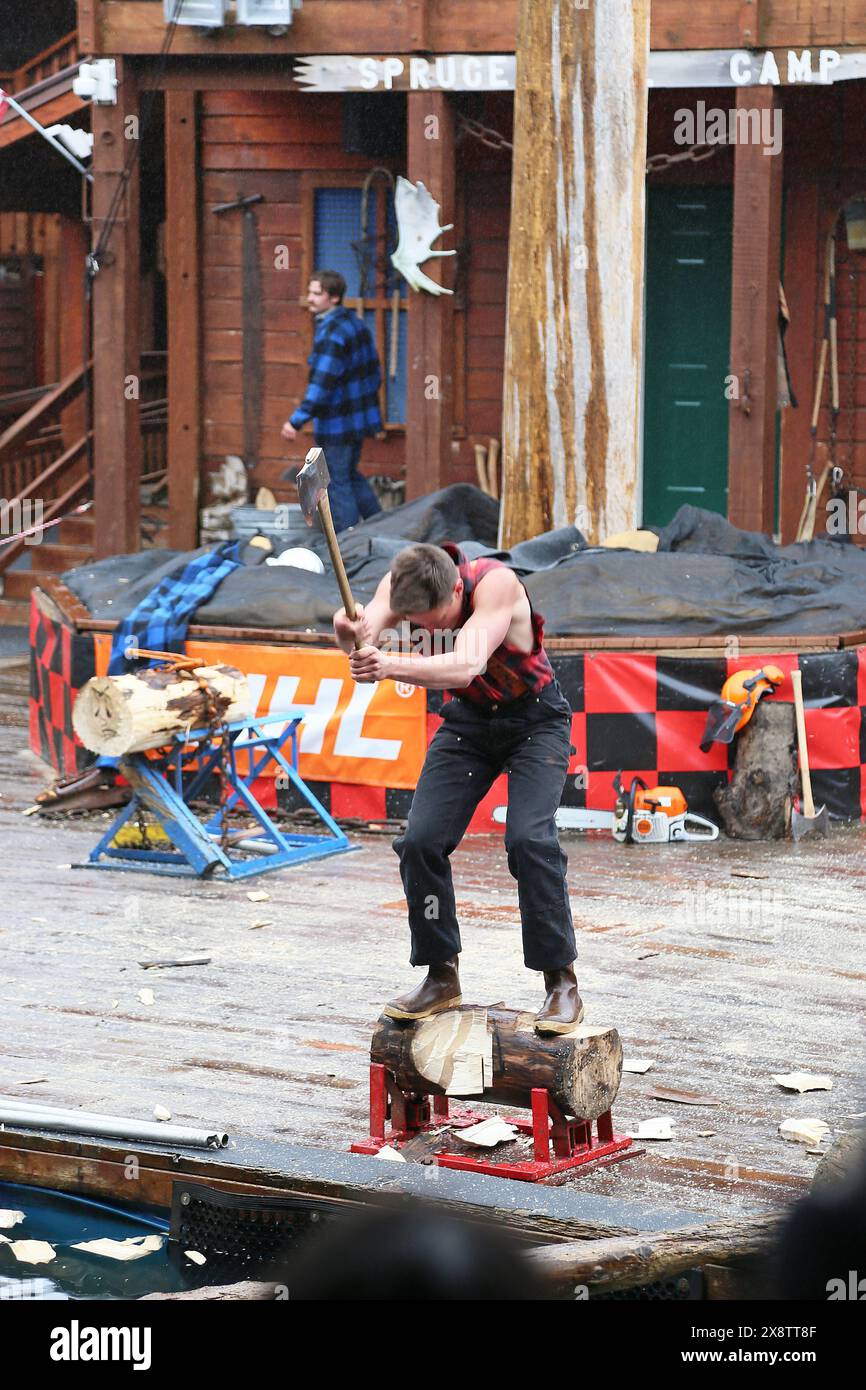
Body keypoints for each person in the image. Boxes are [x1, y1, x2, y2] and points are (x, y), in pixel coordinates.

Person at [333, 541, 582, 1034]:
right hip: (469, 722)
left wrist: (387, 665)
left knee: (529, 840)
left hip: (535, 722)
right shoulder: (402, 582)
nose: (425, 630)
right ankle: (440, 974)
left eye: (434, 620)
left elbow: (466, 664)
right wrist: (347, 634)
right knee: (420, 842)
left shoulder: (496, 585)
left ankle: (561, 982)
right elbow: (363, 637)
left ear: (453, 590)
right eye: (416, 623)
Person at [281, 270, 383, 533]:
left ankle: (347, 540)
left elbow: (322, 383)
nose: (310, 298)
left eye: (317, 294)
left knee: (335, 481)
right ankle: (381, 527)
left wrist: (296, 421)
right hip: (357, 421)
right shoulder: (355, 323)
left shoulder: (332, 332)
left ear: (334, 298)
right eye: (310, 292)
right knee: (348, 474)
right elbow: (375, 373)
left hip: (337, 423)